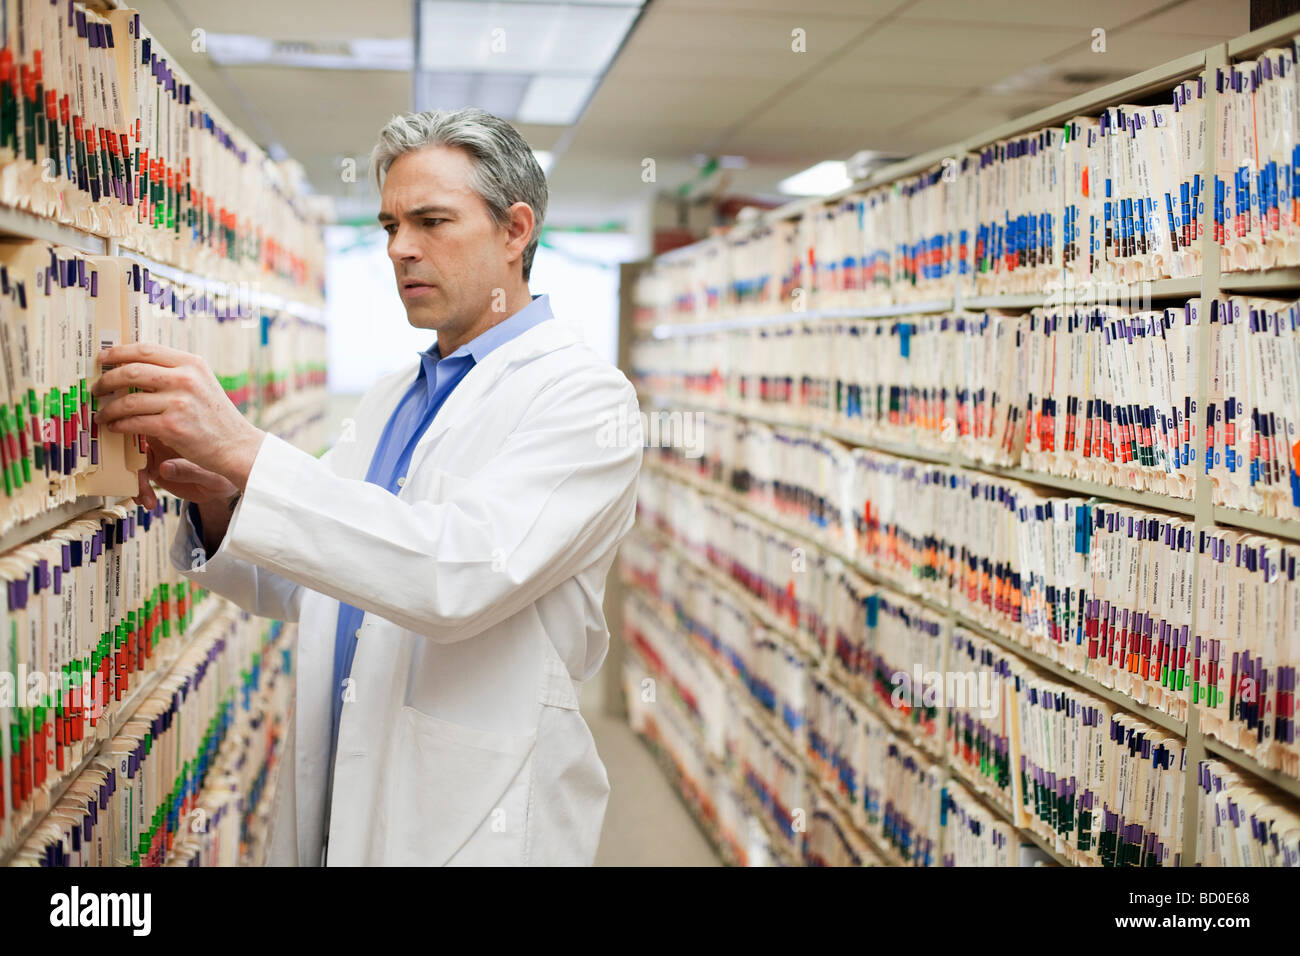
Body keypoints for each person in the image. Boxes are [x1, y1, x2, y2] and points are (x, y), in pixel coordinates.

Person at [90, 107, 643, 866]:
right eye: (388, 225)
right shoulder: (392, 397)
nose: (400, 250)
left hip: (477, 820)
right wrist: (220, 497)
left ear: (515, 232)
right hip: (343, 793)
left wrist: (248, 450)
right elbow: (322, 580)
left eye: (431, 221)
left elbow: (458, 576)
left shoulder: (586, 400)